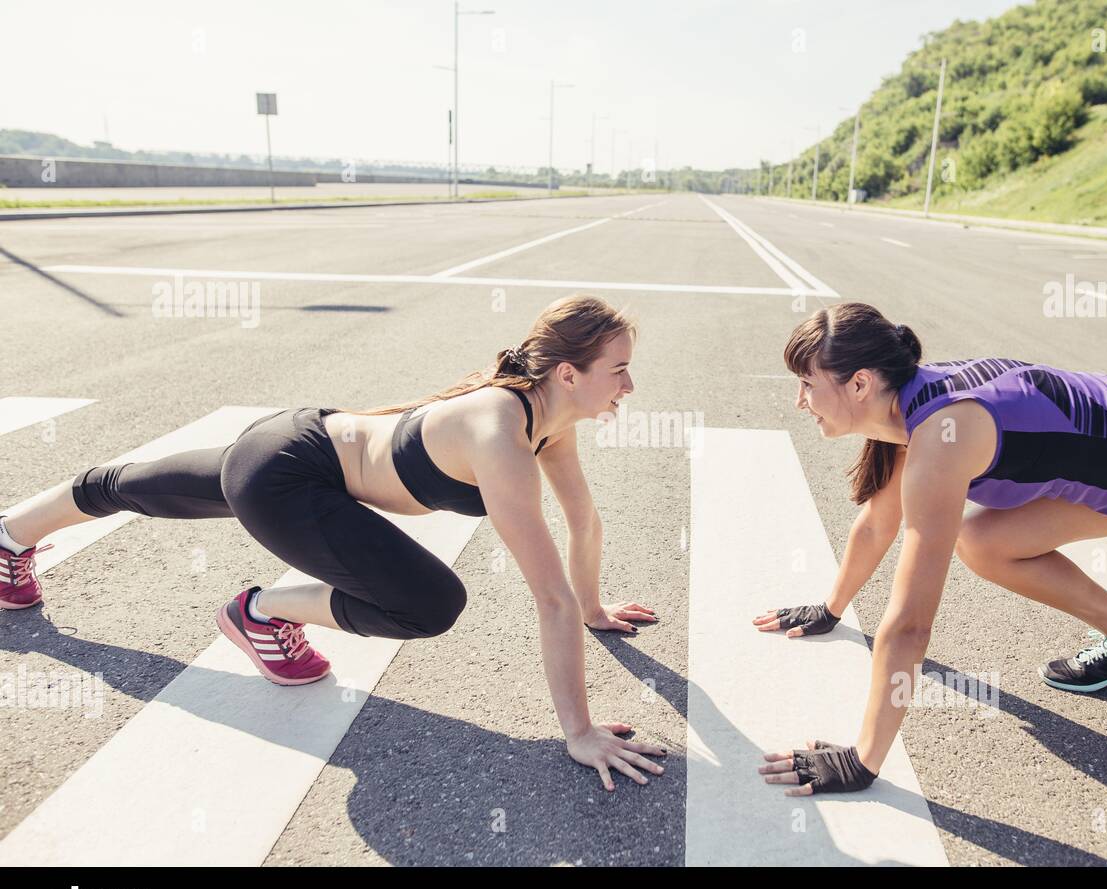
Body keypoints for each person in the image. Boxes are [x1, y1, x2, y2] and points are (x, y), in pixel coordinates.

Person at [1, 294, 665, 792]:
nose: (630, 386)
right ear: (571, 374)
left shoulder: (554, 418)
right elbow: (548, 597)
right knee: (430, 602)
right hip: (289, 470)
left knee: (139, 487)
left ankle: (10, 536)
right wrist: (578, 733)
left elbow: (584, 522)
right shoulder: (500, 432)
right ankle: (260, 611)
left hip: (301, 451)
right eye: (621, 369)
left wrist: (595, 609)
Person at [754, 302, 1107, 796]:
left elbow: (910, 626)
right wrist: (830, 610)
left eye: (807, 384)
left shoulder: (941, 435)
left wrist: (861, 761)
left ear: (859, 385)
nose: (799, 401)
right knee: (985, 542)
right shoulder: (913, 407)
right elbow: (877, 525)